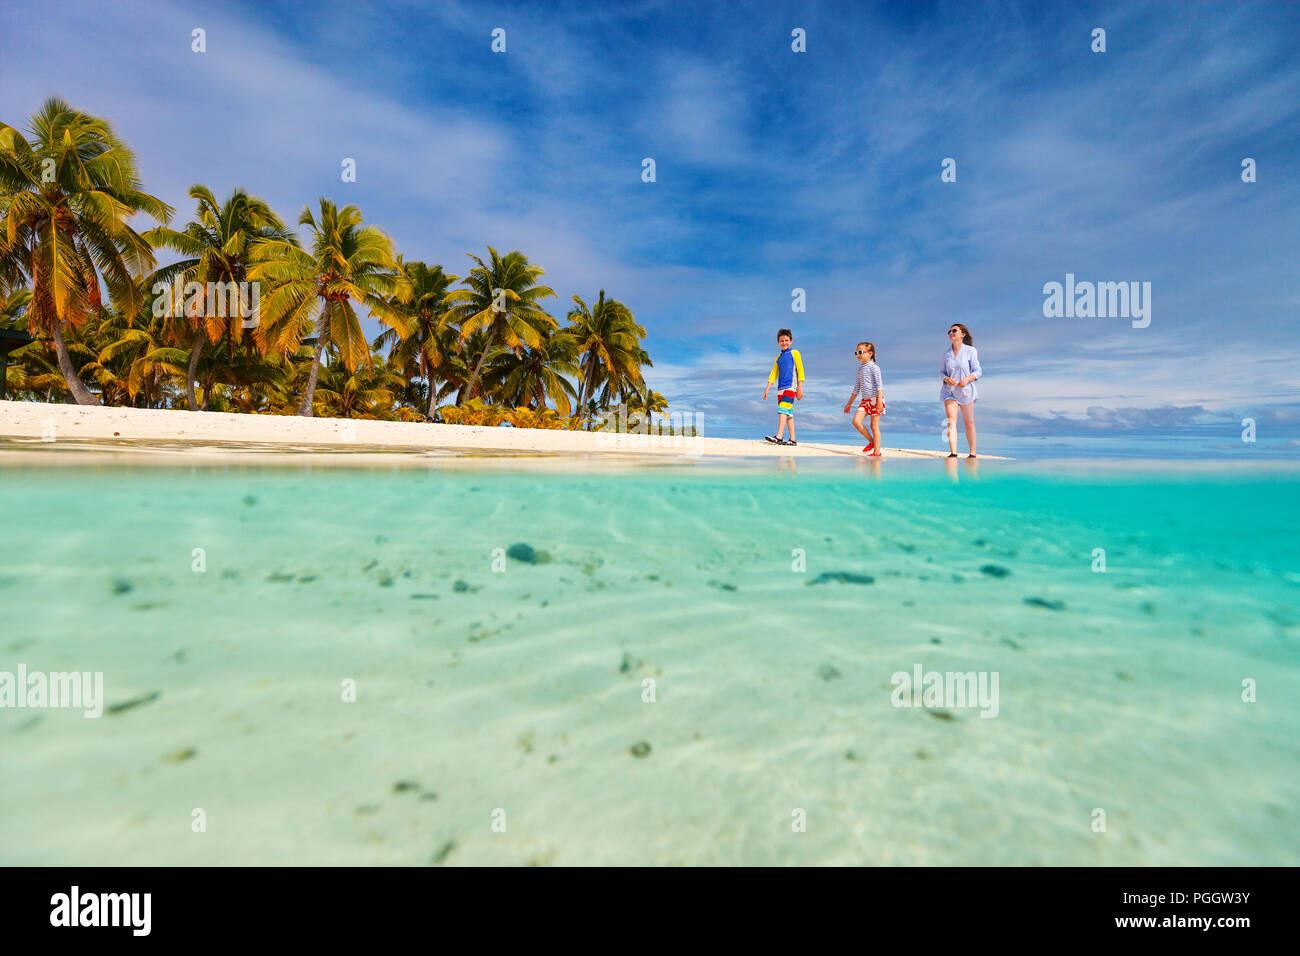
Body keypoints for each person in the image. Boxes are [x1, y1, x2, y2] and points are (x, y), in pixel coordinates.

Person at [941, 323, 981, 458]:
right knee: (951, 420)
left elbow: (978, 371)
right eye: (949, 331)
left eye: (954, 330)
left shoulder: (971, 351)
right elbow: (941, 372)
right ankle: (953, 453)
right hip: (949, 391)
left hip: (965, 392)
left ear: (962, 334)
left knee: (968, 422)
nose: (951, 333)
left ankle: (972, 453)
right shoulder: (946, 354)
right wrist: (946, 379)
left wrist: (967, 379)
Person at [762, 328, 804, 445]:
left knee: (782, 410)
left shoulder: (795, 353)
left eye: (786, 340)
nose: (784, 342)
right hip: (780, 388)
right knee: (788, 413)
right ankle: (793, 439)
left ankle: (779, 436)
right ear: (778, 342)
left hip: (791, 387)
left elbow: (800, 370)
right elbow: (773, 374)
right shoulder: (778, 358)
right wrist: (767, 389)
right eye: (781, 341)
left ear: (791, 341)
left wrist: (800, 387)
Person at [843, 341, 886, 456]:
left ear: (870, 353)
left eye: (860, 352)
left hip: (876, 400)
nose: (858, 354)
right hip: (865, 401)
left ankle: (877, 452)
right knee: (856, 422)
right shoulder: (860, 370)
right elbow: (856, 389)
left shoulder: (874, 368)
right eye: (856, 352)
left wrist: (879, 402)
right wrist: (849, 404)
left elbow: (880, 386)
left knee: (874, 425)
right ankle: (872, 442)